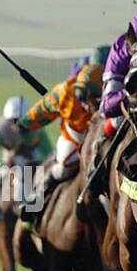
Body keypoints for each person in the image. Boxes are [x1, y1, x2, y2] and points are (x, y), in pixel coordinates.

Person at [17, 61, 102, 228]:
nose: (87, 103)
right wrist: (25, 124)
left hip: (98, 137)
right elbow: (43, 109)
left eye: (93, 99)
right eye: (83, 97)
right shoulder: (64, 92)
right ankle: (36, 200)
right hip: (73, 138)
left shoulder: (111, 92)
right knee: (64, 167)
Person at [99, 9, 137, 134]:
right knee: (113, 125)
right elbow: (106, 107)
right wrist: (131, 90)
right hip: (132, 106)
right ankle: (99, 151)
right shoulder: (120, 51)